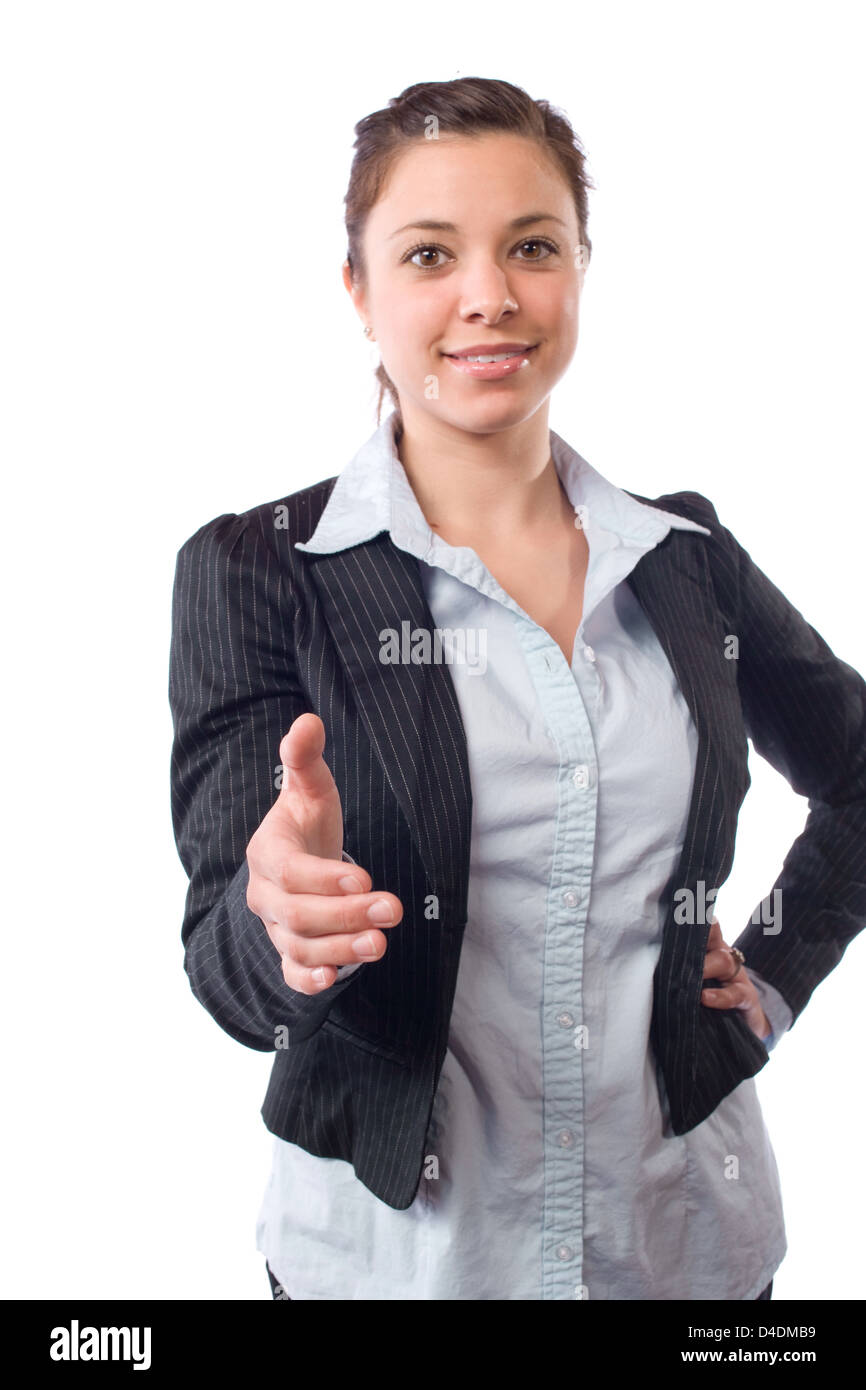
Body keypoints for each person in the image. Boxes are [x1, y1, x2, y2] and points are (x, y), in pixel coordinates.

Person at [168, 77, 866, 1300]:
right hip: (398, 1263)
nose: (486, 294)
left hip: (682, 1248)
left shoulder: (683, 559)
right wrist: (281, 921)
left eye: (530, 247)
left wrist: (773, 968)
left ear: (579, 269)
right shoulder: (257, 570)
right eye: (428, 252)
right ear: (359, 292)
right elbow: (230, 978)